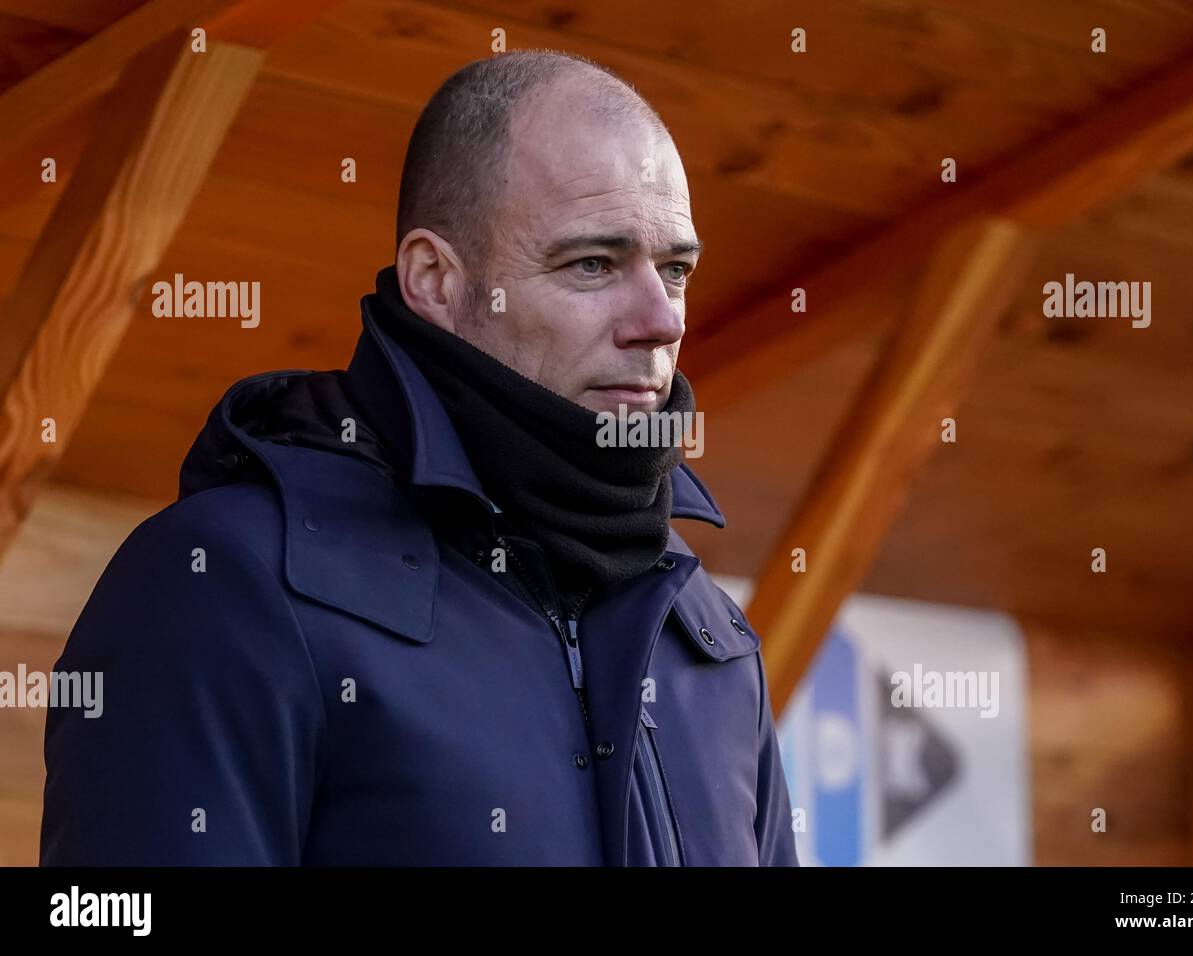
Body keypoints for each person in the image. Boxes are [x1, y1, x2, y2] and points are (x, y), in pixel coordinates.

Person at [40, 50, 798, 866]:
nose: (662, 319)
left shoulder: (710, 640)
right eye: (592, 264)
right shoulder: (223, 583)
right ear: (435, 279)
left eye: (676, 269)